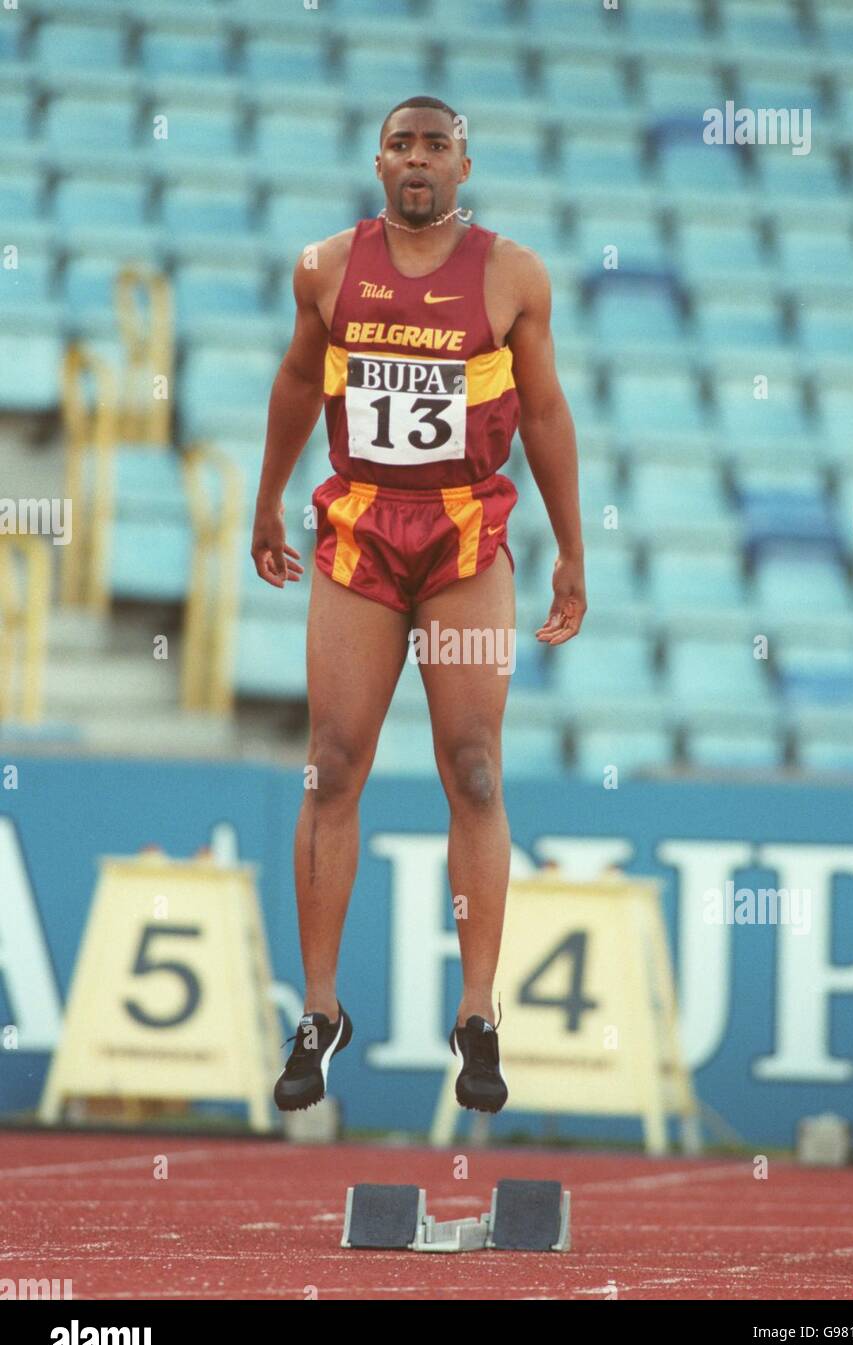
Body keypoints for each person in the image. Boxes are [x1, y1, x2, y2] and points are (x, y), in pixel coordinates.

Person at [252, 96, 586, 1116]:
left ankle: (477, 1011)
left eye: (437, 146)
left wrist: (574, 551)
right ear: (378, 160)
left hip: (464, 539)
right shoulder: (324, 267)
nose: (418, 160)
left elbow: (541, 411)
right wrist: (265, 500)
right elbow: (298, 383)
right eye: (402, 144)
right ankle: (318, 1008)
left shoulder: (511, 275)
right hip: (359, 533)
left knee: (475, 769)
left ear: (464, 166)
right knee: (334, 759)